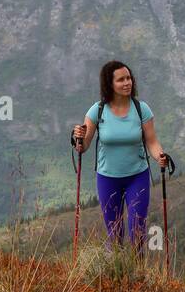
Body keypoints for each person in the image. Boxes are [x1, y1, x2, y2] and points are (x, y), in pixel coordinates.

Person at [72, 60, 168, 250]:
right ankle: (116, 276)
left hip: (137, 176)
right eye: (121, 80)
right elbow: (82, 148)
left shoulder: (142, 109)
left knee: (138, 231)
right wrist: (79, 138)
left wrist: (160, 156)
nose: (127, 83)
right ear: (110, 84)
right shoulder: (97, 111)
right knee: (114, 233)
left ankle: (137, 275)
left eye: (129, 78)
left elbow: (152, 141)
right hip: (107, 178)